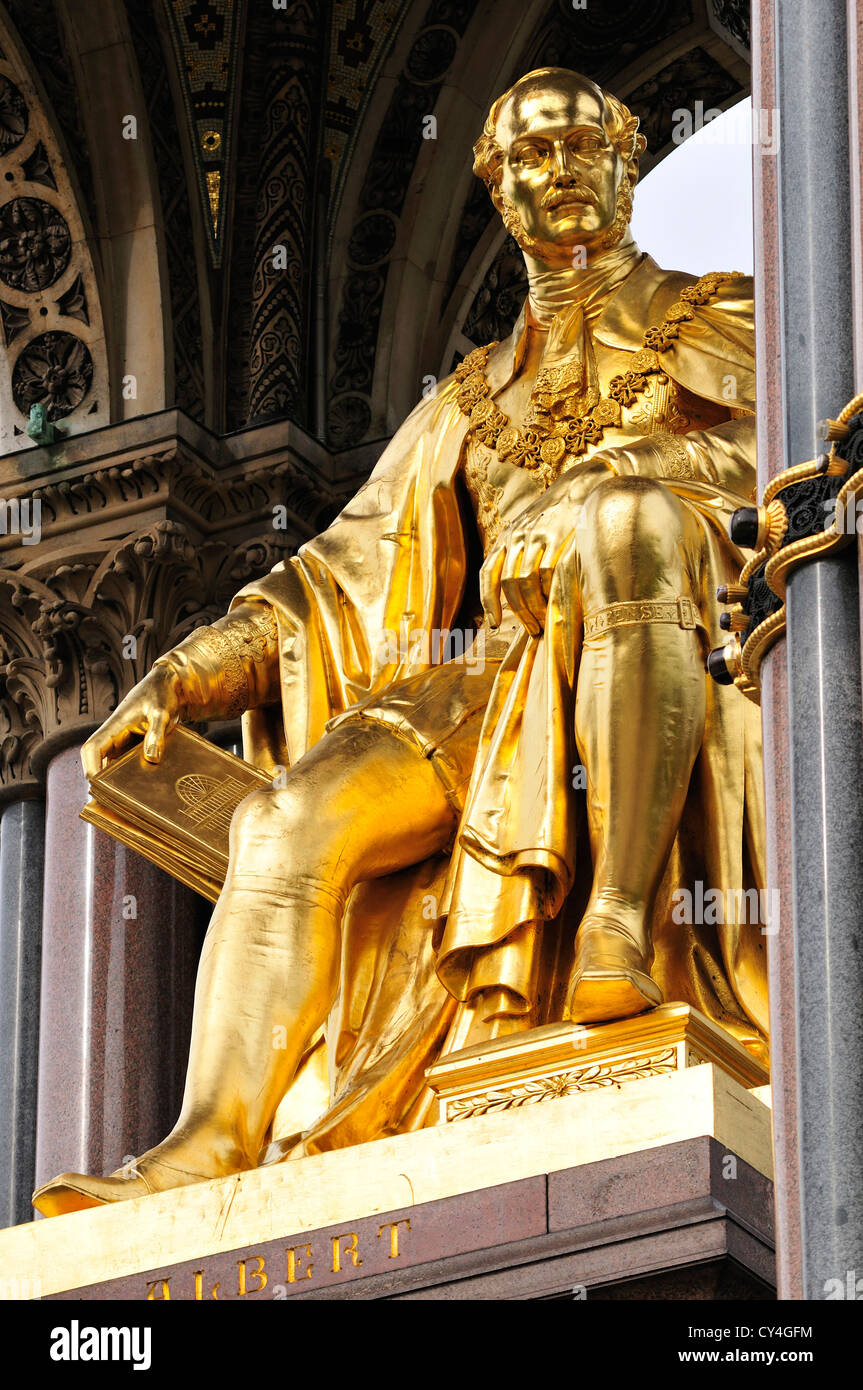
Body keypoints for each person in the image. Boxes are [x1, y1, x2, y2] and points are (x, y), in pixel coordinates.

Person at [33, 67, 768, 1217]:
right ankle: (209, 1139)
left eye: (582, 144)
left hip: (650, 648)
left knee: (625, 528)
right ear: (497, 192)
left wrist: (609, 483)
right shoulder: (465, 399)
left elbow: (779, 469)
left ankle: (616, 923)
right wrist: (186, 670)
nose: (559, 170)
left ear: (628, 161)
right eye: (529, 157)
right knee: (282, 821)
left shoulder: (721, 316)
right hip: (474, 686)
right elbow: (332, 575)